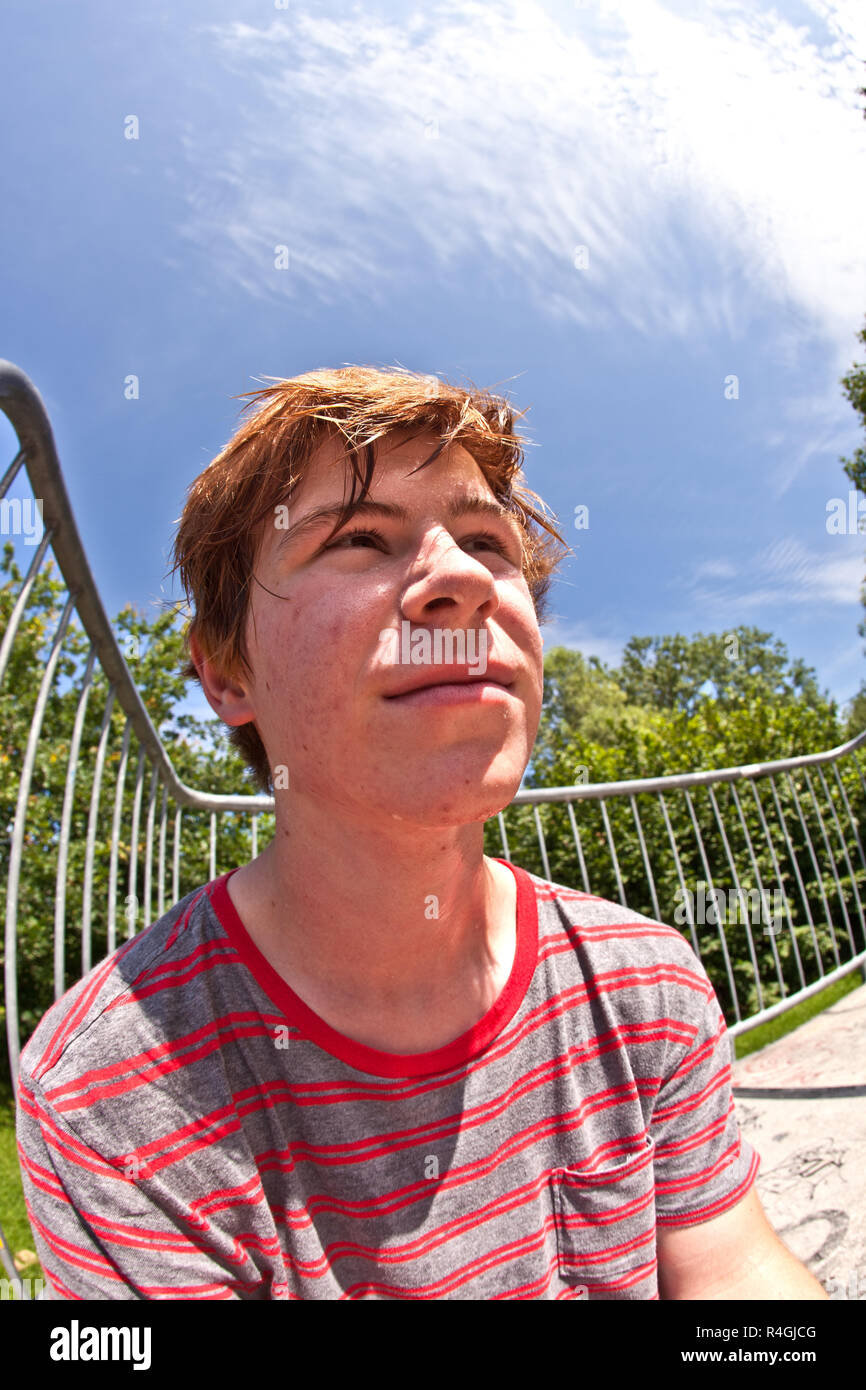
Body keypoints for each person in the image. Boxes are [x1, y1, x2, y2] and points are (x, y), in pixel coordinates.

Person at [17, 366, 826, 1299]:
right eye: (360, 538)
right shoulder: (112, 1093)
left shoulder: (645, 980)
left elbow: (735, 1280)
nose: (462, 582)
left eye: (488, 541)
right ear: (226, 672)